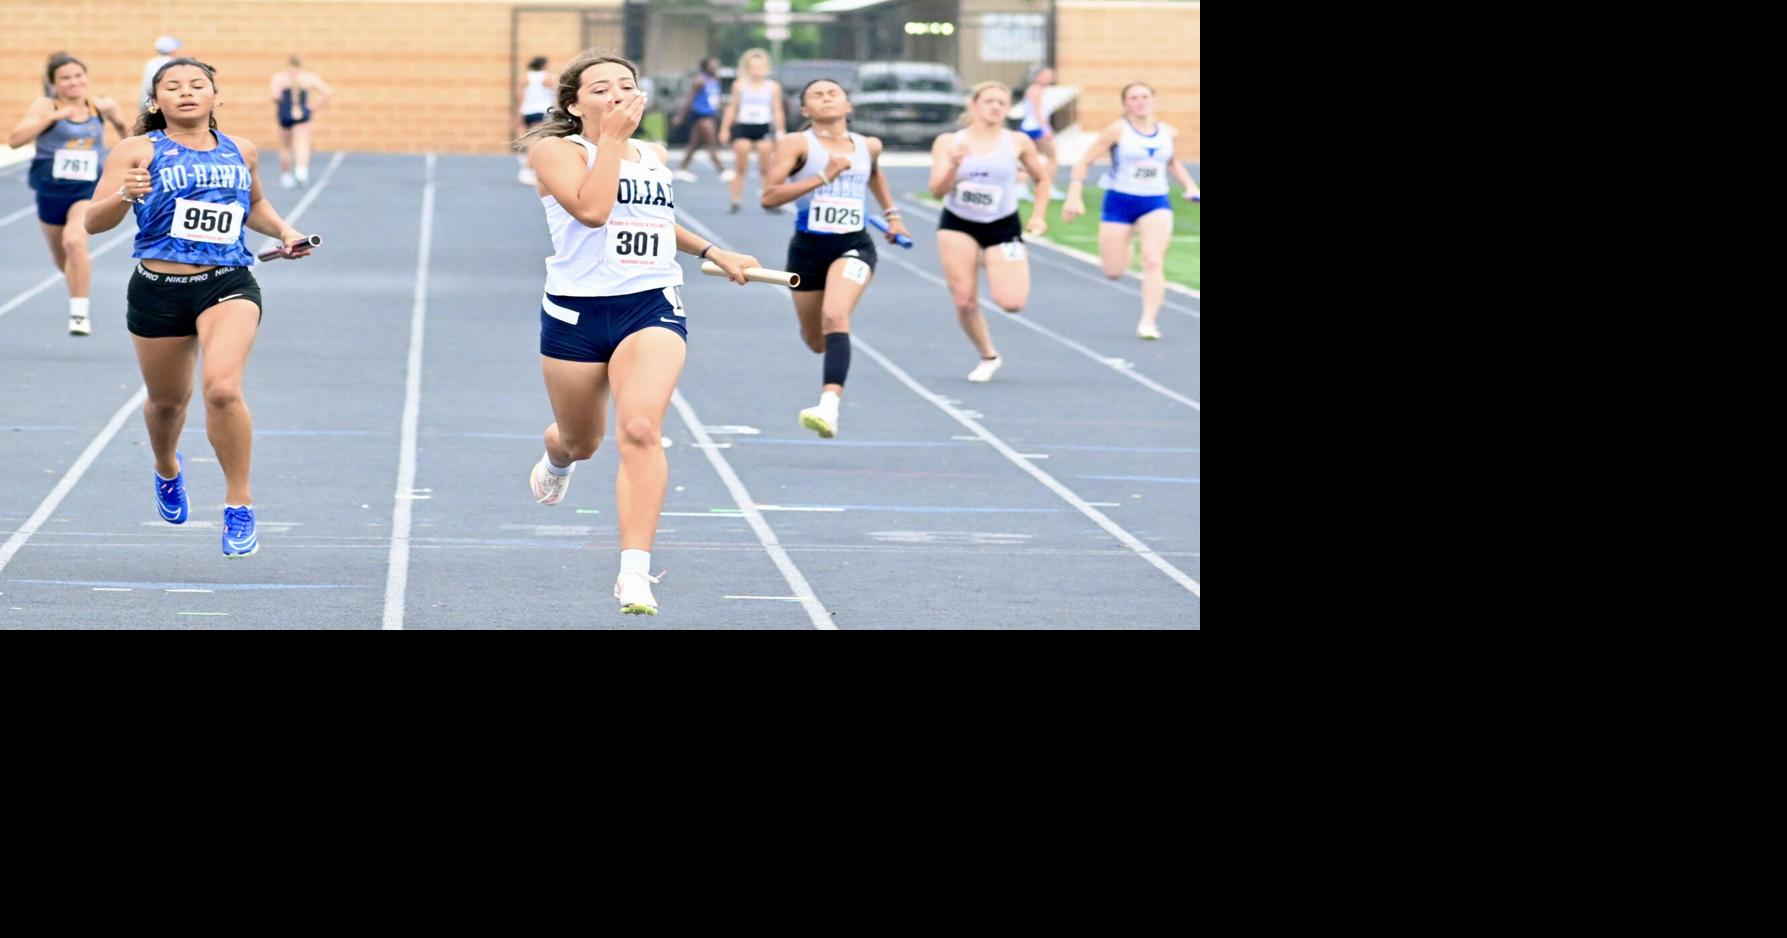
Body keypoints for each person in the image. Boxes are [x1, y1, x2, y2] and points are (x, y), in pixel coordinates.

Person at [515, 52, 761, 616]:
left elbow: (649, 220)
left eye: (626, 85)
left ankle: (634, 571)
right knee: (581, 441)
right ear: (574, 105)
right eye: (600, 89)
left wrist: (714, 250)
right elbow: (594, 210)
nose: (617, 96)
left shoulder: (651, 154)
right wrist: (609, 142)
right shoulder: (555, 150)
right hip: (576, 314)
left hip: (649, 306)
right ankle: (557, 459)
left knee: (643, 427)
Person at [86, 58, 315, 559]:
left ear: (215, 96)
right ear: (156, 101)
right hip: (157, 288)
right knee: (167, 403)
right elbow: (92, 222)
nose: (186, 93)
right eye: (173, 87)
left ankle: (239, 505)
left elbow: (253, 204)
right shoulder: (137, 150)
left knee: (223, 390)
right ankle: (167, 467)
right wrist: (126, 194)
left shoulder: (241, 149)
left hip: (227, 283)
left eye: (197, 85)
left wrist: (287, 232)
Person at [760, 79, 911, 438]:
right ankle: (835, 352)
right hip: (808, 249)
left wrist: (892, 215)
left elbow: (873, 173)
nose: (826, 98)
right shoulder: (796, 144)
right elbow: (769, 196)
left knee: (835, 314)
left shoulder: (868, 145)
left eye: (833, 93)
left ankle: (828, 406)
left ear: (848, 106)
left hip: (854, 245)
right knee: (816, 339)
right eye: (817, 95)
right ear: (805, 110)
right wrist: (823, 176)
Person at [927, 82, 1051, 382]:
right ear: (974, 104)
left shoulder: (1018, 141)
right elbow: (936, 191)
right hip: (959, 222)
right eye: (989, 101)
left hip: (1002, 222)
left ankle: (993, 260)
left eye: (1001, 102)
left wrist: (1038, 216)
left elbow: (1042, 179)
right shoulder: (949, 142)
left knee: (1012, 303)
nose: (995, 107)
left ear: (1008, 109)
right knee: (965, 300)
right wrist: (955, 166)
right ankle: (988, 355)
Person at [1062, 82, 1200, 340]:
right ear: (1126, 104)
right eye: (1133, 98)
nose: (1140, 102)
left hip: (1155, 202)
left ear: (1154, 100)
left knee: (1153, 260)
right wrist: (1074, 195)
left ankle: (1148, 322)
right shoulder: (1117, 131)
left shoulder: (1169, 133)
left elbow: (1172, 162)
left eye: (1145, 96)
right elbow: (1084, 161)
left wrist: (1191, 186)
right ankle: (1129, 240)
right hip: (1120, 201)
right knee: (1113, 271)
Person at [7, 52, 129, 336]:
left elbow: (128, 139)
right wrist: (52, 117)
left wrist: (116, 118)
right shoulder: (45, 105)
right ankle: (77, 283)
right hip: (50, 191)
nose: (74, 82)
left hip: (86, 190)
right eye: (65, 78)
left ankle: (79, 314)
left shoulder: (97, 106)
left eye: (78, 76)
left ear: (86, 77)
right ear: (53, 84)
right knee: (63, 259)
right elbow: (15, 141)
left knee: (75, 241)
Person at [717, 48, 786, 214]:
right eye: (754, 67)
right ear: (747, 69)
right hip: (744, 128)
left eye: (761, 67)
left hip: (762, 128)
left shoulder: (773, 87)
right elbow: (732, 107)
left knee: (765, 167)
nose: (757, 71)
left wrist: (780, 131)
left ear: (767, 68)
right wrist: (725, 129)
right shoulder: (740, 86)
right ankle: (735, 201)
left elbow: (777, 109)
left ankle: (769, 200)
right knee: (740, 166)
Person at [269, 55, 333, 188]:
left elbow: (274, 96)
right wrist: (314, 107)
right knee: (302, 143)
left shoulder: (280, 78)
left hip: (285, 115)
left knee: (285, 146)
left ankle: (287, 176)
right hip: (301, 115)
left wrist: (283, 96)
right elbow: (328, 92)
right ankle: (301, 171)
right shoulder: (307, 78)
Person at [672, 58, 725, 183]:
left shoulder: (715, 81)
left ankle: (682, 169)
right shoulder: (699, 81)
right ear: (706, 67)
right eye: (712, 65)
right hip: (701, 115)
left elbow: (714, 99)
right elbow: (689, 98)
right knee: (712, 141)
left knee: (694, 144)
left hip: (711, 114)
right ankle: (721, 169)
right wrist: (680, 116)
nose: (715, 67)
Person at [1016, 65, 1057, 201]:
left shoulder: (1041, 90)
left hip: (1031, 127)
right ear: (1037, 76)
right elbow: (1037, 111)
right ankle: (1047, 187)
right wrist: (1045, 128)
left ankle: (1022, 188)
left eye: (1050, 75)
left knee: (1029, 159)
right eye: (1045, 75)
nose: (1049, 78)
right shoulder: (1036, 90)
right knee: (1052, 158)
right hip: (1035, 128)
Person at [515, 55, 553, 185]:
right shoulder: (548, 77)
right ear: (543, 65)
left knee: (531, 139)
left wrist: (519, 113)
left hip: (527, 111)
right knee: (535, 142)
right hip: (541, 112)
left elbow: (519, 97)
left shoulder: (525, 77)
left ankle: (528, 161)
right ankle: (527, 169)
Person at [140, 36, 180, 115]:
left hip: (148, 104)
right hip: (160, 105)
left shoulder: (151, 63)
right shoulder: (171, 63)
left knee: (150, 124)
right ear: (171, 49)